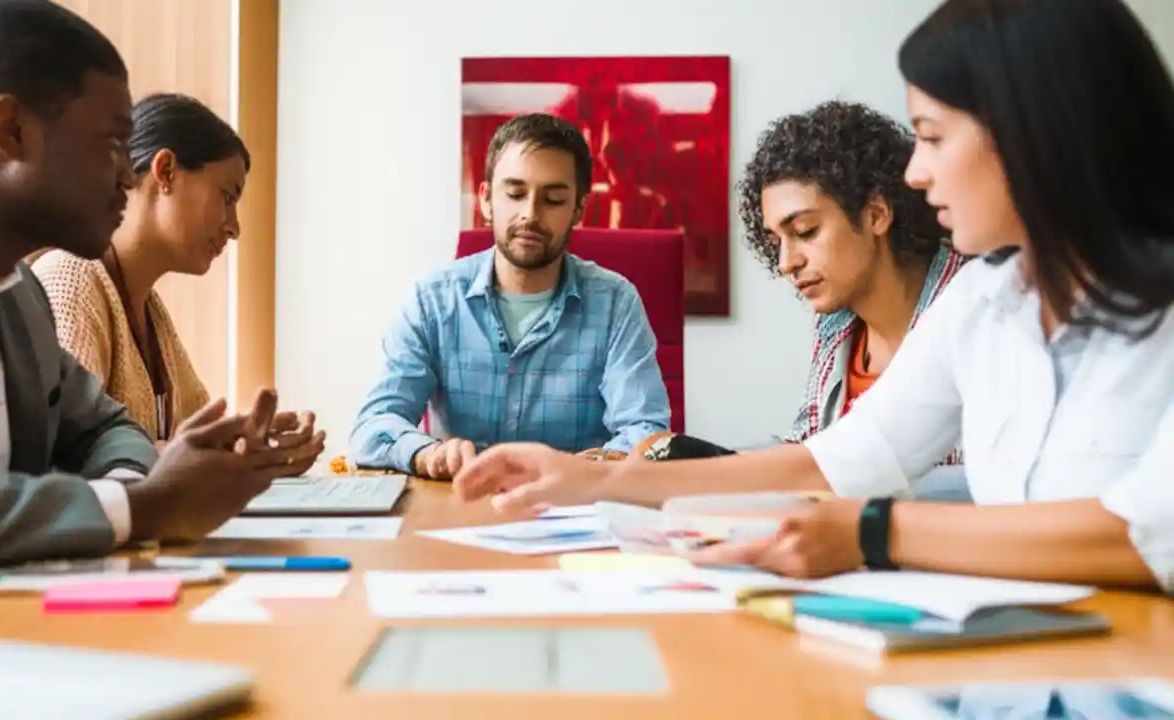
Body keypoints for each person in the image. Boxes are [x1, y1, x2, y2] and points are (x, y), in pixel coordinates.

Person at [455, 0, 1174, 593]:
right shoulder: (989, 298)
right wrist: (587, 479)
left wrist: (873, 532)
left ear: (1031, 133)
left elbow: (1147, 536)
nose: (917, 175)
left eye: (931, 137)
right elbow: (828, 462)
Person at [0, 0, 321, 574]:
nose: (128, 172)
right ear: (12, 131)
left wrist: (132, 488)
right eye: (112, 142)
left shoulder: (17, 292)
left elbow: (105, 426)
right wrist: (136, 507)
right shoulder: (58, 282)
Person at [640, 101, 968, 500]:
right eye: (776, 240)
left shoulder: (972, 303)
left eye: (806, 230)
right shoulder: (837, 325)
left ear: (877, 214)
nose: (786, 263)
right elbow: (808, 453)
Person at [350, 113, 670, 480]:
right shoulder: (432, 300)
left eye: (552, 199)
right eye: (515, 194)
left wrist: (569, 470)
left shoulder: (616, 303)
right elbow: (375, 425)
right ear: (486, 200)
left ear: (578, 209)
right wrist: (427, 454)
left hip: (572, 510)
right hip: (457, 504)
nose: (529, 214)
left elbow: (647, 433)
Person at [32, 93, 321, 452]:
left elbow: (190, 448)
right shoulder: (70, 279)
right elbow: (68, 456)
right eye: (228, 197)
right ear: (166, 171)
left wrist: (252, 445)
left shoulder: (149, 309)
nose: (234, 228)